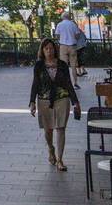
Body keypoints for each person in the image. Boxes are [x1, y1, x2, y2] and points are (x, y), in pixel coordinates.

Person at [29, 37, 81, 171]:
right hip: (44, 100)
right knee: (48, 130)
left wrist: (75, 102)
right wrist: (32, 102)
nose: (49, 51)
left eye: (51, 48)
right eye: (46, 48)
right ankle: (51, 149)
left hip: (62, 98)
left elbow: (69, 84)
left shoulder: (62, 64)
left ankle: (60, 159)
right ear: (42, 50)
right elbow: (35, 83)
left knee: (61, 128)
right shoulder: (39, 66)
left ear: (55, 49)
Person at [54, 10, 82, 82]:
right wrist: (74, 38)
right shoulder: (73, 24)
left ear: (62, 17)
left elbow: (57, 35)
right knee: (73, 66)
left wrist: (61, 38)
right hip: (72, 46)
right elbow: (78, 35)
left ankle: (65, 81)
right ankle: (75, 82)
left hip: (63, 46)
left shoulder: (59, 24)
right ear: (69, 17)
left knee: (64, 65)